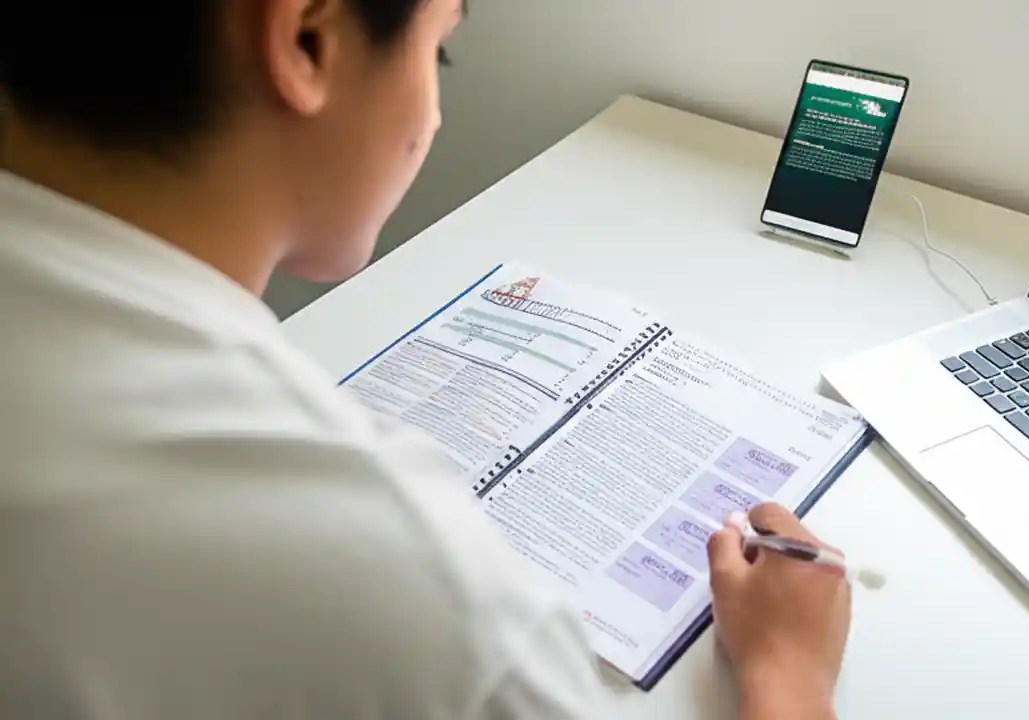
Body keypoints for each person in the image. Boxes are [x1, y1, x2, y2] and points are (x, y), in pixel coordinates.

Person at [0, 1, 851, 718]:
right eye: (436, 50)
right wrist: (789, 678)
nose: (433, 115)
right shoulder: (414, 598)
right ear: (308, 41)